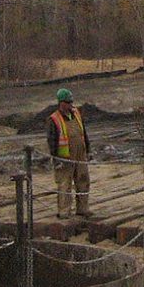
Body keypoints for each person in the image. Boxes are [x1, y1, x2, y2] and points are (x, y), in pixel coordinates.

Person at [47, 87, 91, 219]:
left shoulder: (76, 114)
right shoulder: (54, 119)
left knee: (83, 180)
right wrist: (56, 159)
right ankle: (64, 211)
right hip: (64, 156)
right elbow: (52, 140)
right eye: (68, 102)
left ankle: (83, 209)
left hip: (80, 153)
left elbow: (84, 133)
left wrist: (88, 150)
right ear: (61, 103)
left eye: (72, 102)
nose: (71, 105)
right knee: (65, 184)